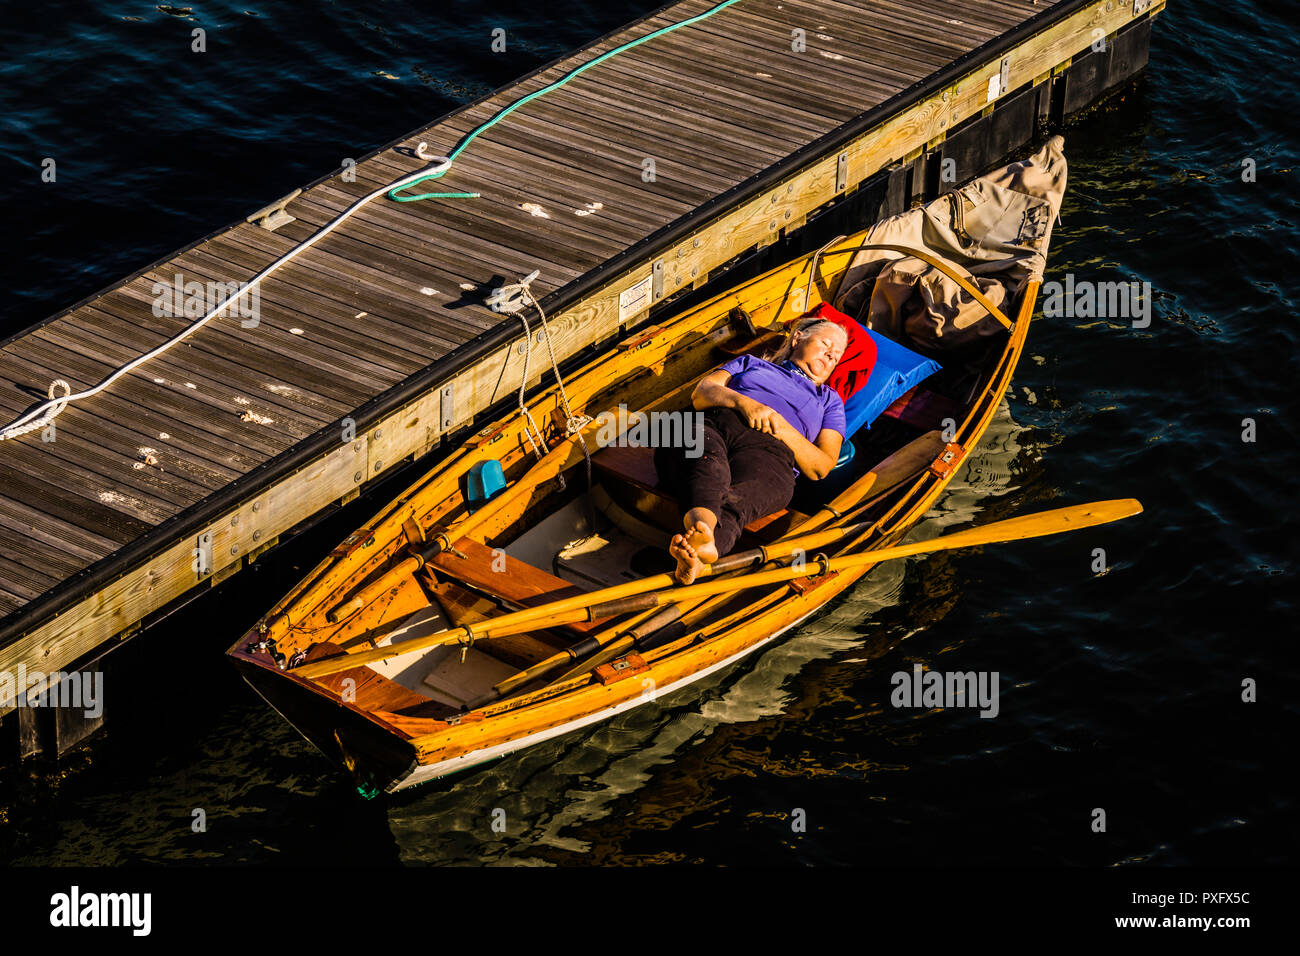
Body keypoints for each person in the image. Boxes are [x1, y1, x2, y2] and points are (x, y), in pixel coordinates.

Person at [653, 317, 848, 585]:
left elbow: (821, 466)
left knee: (748, 497)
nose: (830, 355)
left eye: (837, 356)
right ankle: (703, 538)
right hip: (717, 422)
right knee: (708, 463)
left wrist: (779, 425)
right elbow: (703, 393)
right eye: (826, 344)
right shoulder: (752, 363)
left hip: (774, 454)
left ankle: (697, 555)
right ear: (797, 338)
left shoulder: (829, 401)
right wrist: (746, 404)